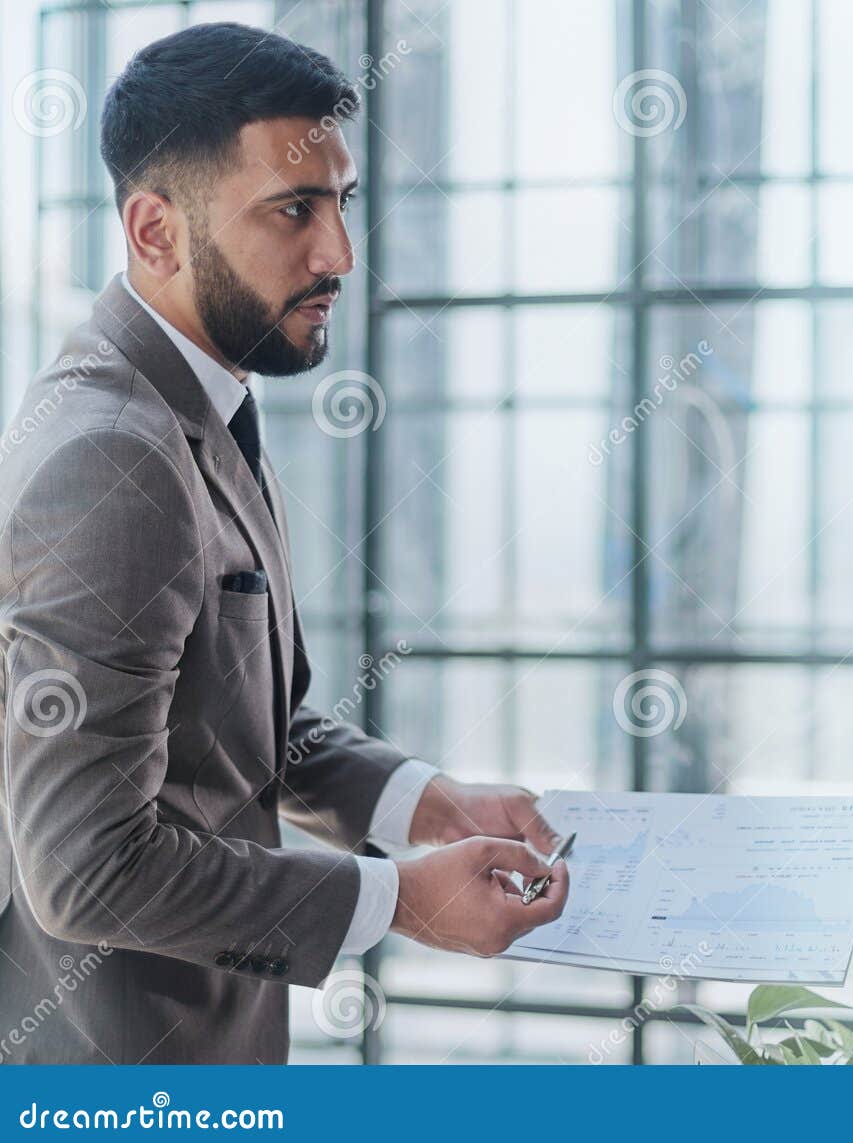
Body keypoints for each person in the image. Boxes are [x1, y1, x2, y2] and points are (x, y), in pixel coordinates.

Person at [0, 22, 569, 1064]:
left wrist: (425, 804)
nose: (339, 254)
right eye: (292, 211)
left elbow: (221, 722)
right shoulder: (110, 461)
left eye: (342, 202)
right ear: (157, 230)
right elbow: (84, 867)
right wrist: (398, 902)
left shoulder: (194, 399)